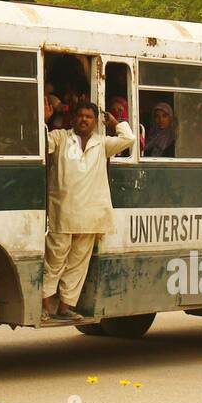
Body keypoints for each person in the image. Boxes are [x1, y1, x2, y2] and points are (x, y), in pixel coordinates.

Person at [42, 98, 134, 323]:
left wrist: (115, 122)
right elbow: (41, 144)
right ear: (73, 119)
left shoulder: (102, 143)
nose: (84, 120)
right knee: (54, 262)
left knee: (77, 266)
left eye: (89, 117)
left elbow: (129, 138)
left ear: (95, 122)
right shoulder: (60, 137)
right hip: (62, 214)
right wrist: (44, 120)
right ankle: (45, 309)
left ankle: (65, 308)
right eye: (80, 116)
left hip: (91, 217)